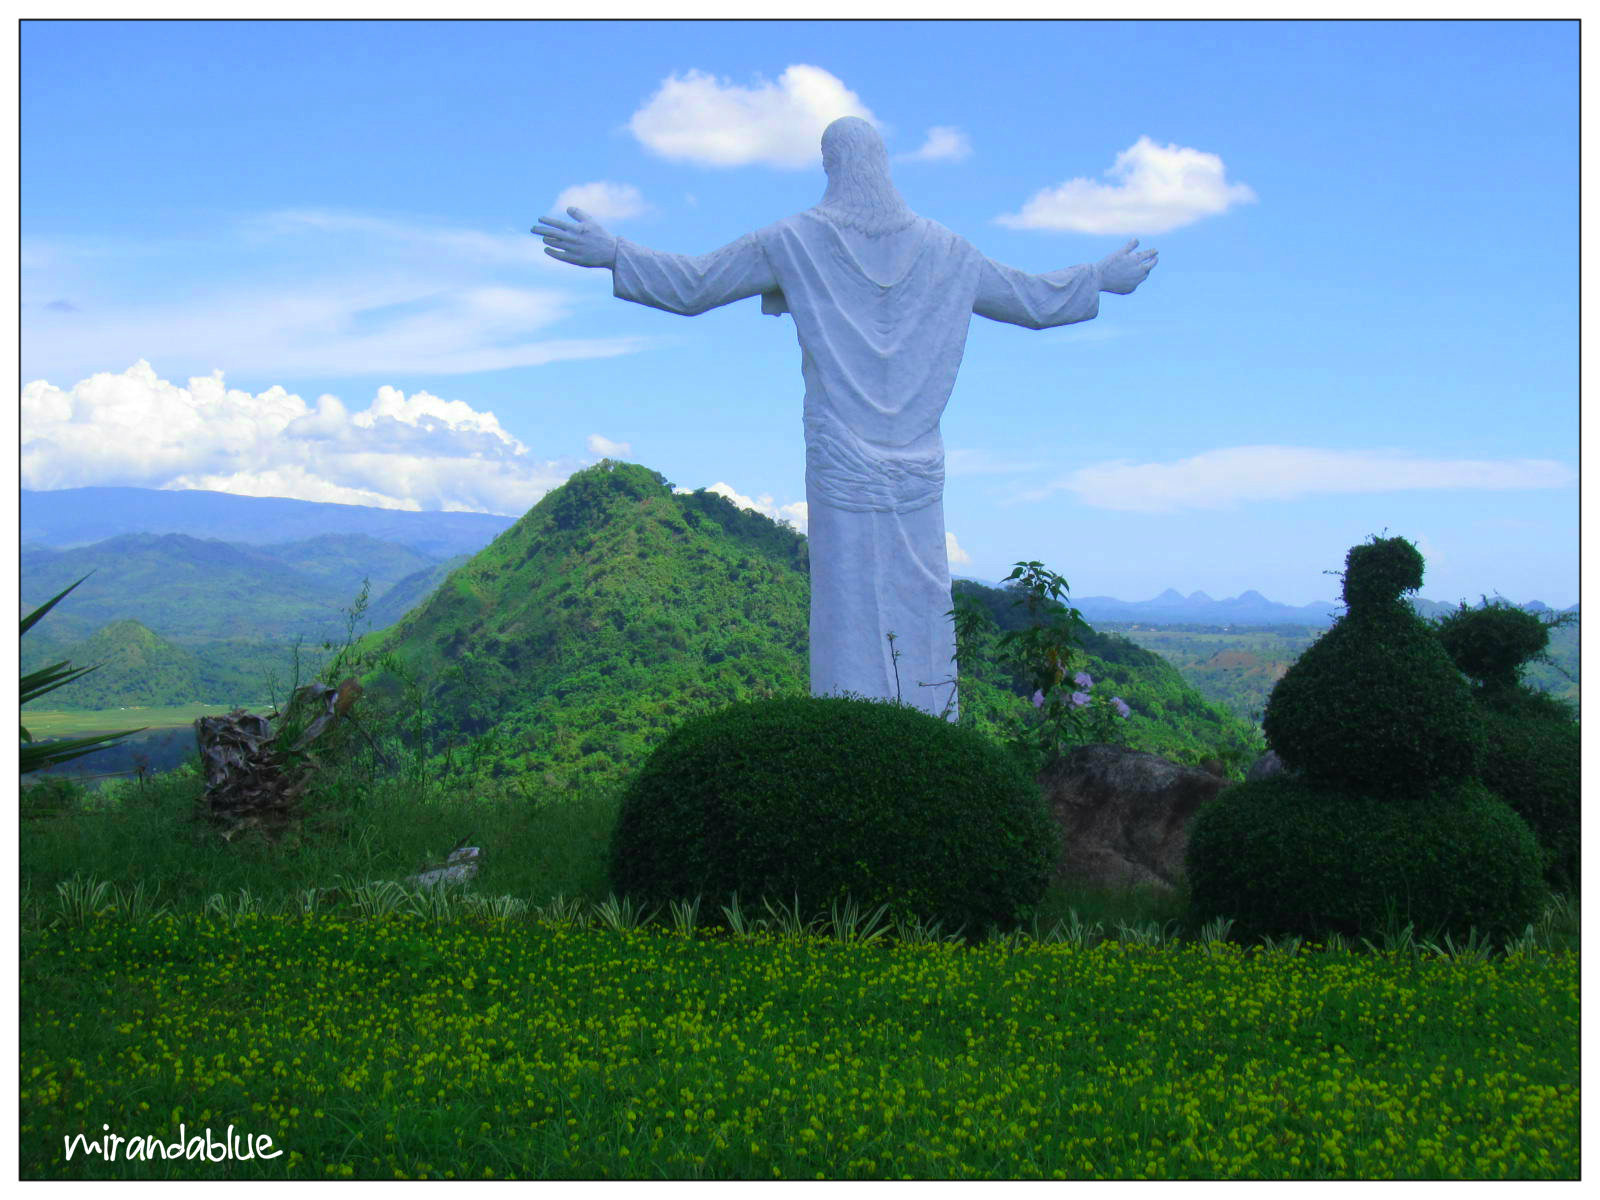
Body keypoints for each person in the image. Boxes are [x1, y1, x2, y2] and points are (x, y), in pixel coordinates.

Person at [534, 116, 1156, 719]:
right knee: (921, 604)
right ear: (884, 166)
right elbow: (1032, 299)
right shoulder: (948, 251)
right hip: (916, 467)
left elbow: (695, 286)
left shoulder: (793, 239)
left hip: (841, 463)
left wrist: (615, 252)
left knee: (847, 608)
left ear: (830, 165)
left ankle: (854, 738)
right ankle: (923, 738)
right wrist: (1098, 277)